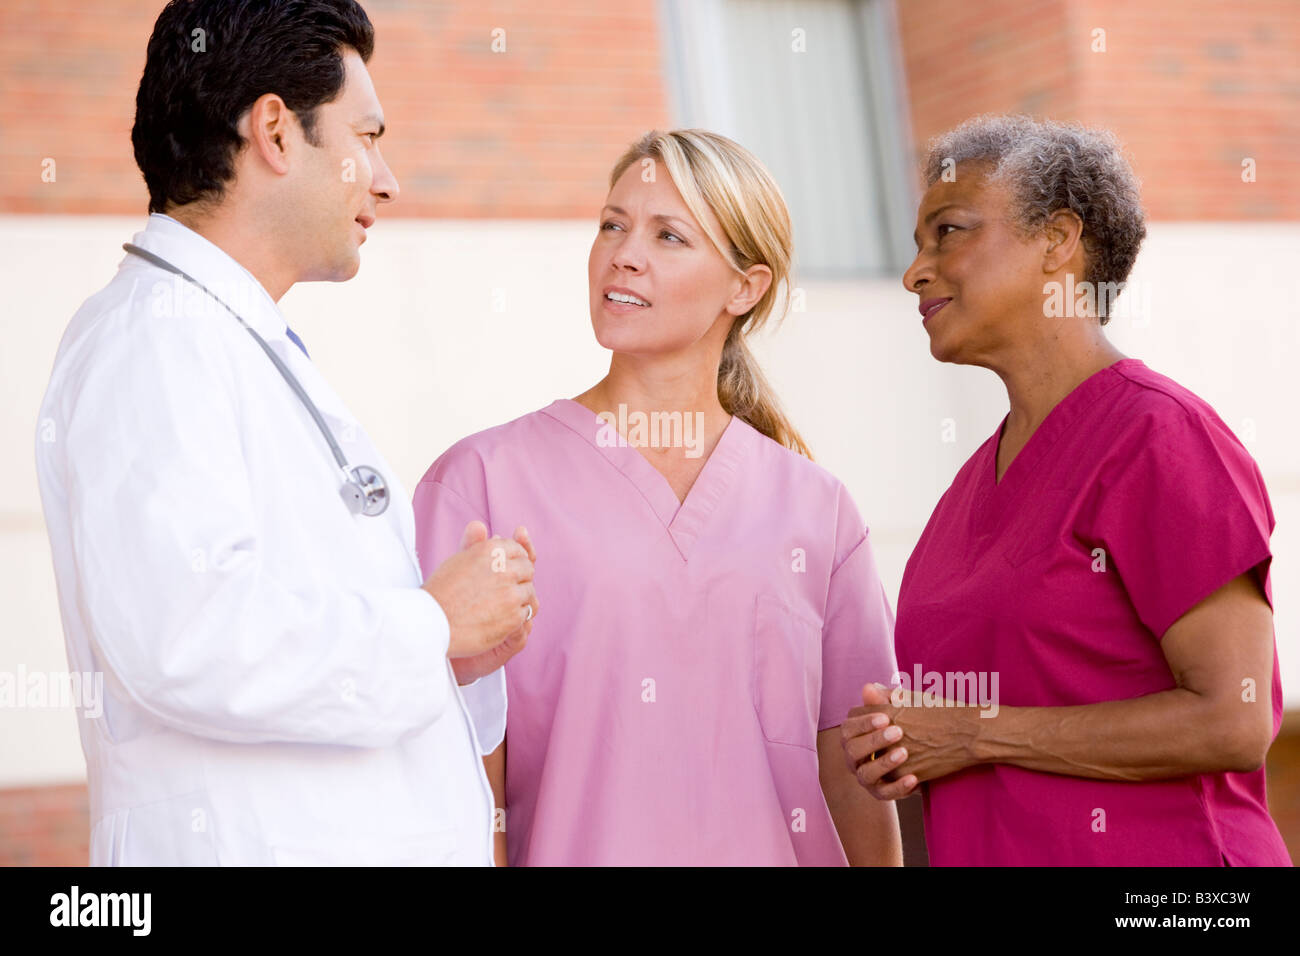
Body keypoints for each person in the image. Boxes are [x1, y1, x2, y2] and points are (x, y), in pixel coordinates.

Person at [33, 0, 536, 866]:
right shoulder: (156, 338)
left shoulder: (223, 338)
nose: (387, 179)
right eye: (367, 135)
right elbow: (187, 637)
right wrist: (430, 626)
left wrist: (453, 649)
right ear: (273, 130)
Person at [413, 129, 901, 866]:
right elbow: (453, 770)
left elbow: (853, 768)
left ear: (747, 287)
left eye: (668, 236)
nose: (624, 254)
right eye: (612, 224)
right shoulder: (481, 481)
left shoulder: (818, 512)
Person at [842, 114, 1292, 865]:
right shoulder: (965, 489)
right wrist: (903, 742)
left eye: (947, 232)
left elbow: (1235, 719)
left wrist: (974, 732)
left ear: (1056, 240)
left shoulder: (1159, 436)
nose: (914, 271)